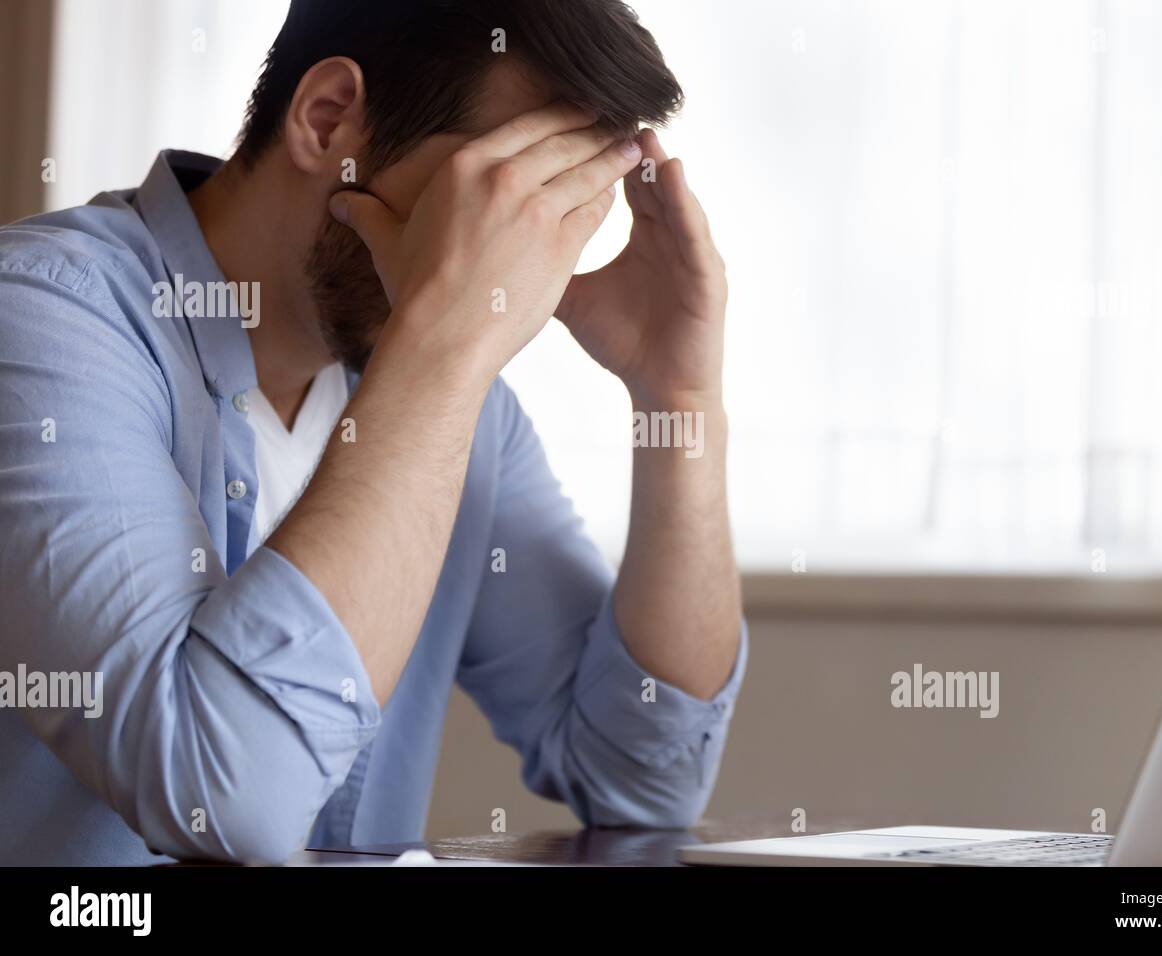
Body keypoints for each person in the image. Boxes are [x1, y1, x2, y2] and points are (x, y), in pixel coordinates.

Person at [0, 0, 744, 865]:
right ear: (328, 119)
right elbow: (220, 798)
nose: (514, 259)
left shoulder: (463, 409)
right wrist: (443, 358)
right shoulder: (44, 322)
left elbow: (642, 776)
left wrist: (679, 400)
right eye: (497, 189)